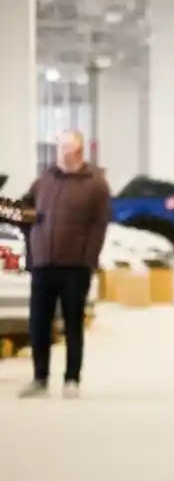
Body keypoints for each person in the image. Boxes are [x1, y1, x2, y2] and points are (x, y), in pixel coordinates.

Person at [16, 130, 111, 399]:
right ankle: (40, 378)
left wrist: (88, 260)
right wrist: (31, 242)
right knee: (39, 323)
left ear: (79, 151)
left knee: (72, 324)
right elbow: (24, 211)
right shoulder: (45, 179)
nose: (62, 154)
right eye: (60, 148)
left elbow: (99, 226)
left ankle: (71, 378)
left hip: (75, 267)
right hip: (43, 264)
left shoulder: (95, 185)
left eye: (67, 149)